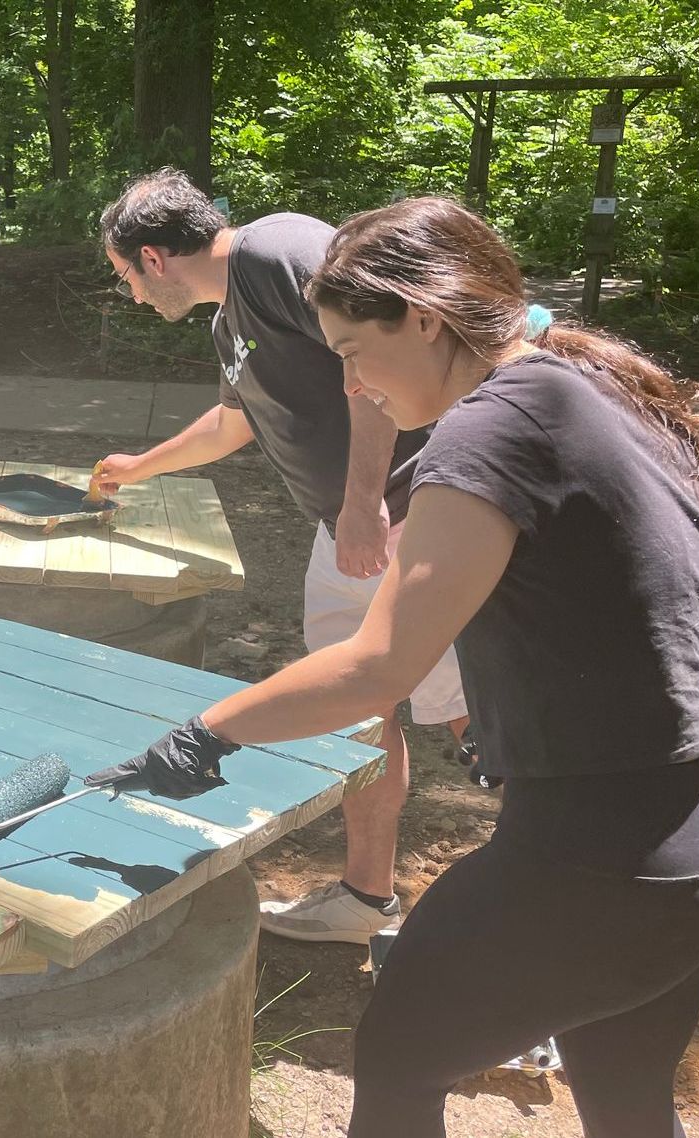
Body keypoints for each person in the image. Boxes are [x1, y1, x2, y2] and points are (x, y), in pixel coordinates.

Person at [88, 197, 699, 1138]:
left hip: (613, 866)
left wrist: (202, 735)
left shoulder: (482, 438)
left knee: (400, 1056)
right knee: (623, 1088)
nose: (353, 384)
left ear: (422, 315)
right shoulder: (586, 381)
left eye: (350, 352)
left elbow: (374, 669)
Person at [93, 169, 468, 945]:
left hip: (411, 519)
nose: (132, 296)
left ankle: (565, 909)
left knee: (473, 711)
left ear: (155, 257)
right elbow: (233, 424)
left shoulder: (276, 247)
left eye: (125, 275)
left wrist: (366, 502)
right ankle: (366, 899)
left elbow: (367, 361)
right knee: (356, 717)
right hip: (348, 534)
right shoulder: (230, 321)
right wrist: (143, 465)